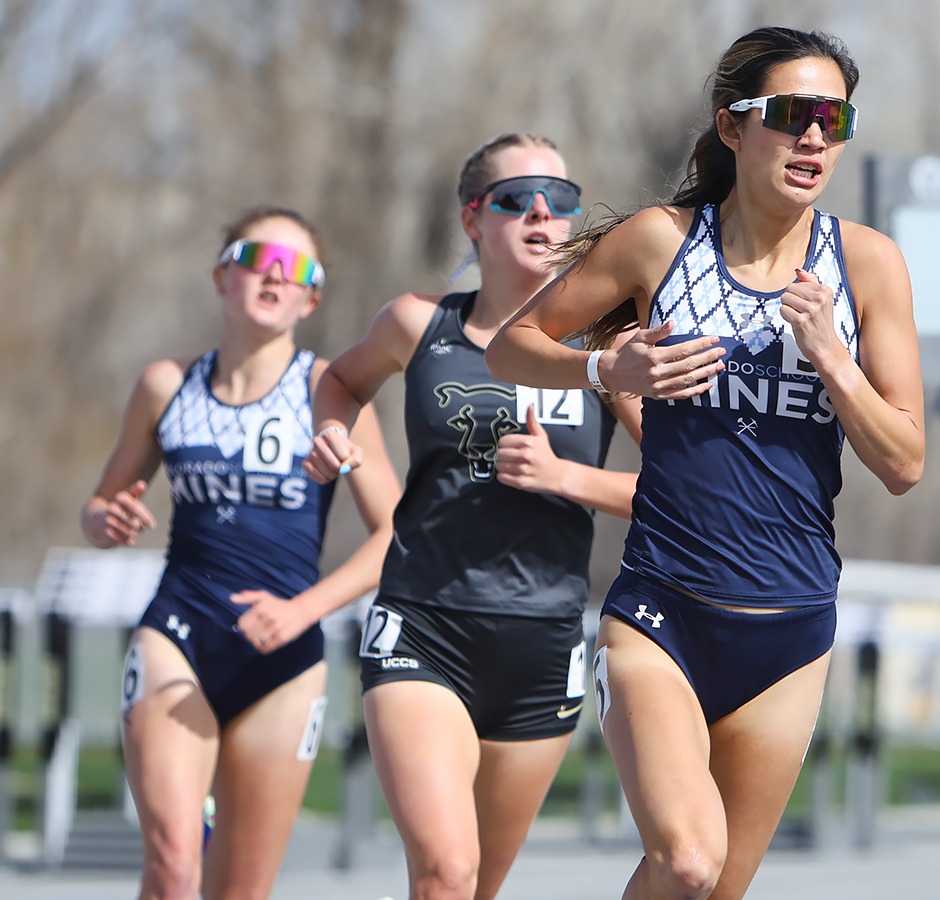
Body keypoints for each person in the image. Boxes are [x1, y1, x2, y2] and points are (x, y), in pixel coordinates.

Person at [482, 27, 924, 900]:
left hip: (791, 628)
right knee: (688, 858)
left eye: (834, 120)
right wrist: (607, 367)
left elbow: (906, 460)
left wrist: (835, 363)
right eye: (794, 115)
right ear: (732, 126)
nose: (814, 139)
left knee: (714, 891)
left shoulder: (867, 263)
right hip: (663, 612)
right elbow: (510, 346)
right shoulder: (661, 243)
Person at [303, 133, 642, 900]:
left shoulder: (602, 348)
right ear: (473, 219)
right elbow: (338, 382)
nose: (542, 213)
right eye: (517, 198)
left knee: (479, 886)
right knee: (445, 874)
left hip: (542, 637)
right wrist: (333, 430)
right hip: (423, 622)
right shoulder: (418, 324)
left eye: (560, 199)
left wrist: (569, 478)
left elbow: (681, 494)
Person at [82, 206, 401, 899]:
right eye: (259, 258)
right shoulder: (166, 385)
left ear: (312, 297)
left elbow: (397, 535)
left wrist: (302, 612)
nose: (276, 276)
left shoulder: (332, 394)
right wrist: (108, 519)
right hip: (179, 636)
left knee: (239, 891)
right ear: (223, 274)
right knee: (171, 867)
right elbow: (100, 505)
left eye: (299, 270)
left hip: (282, 662)